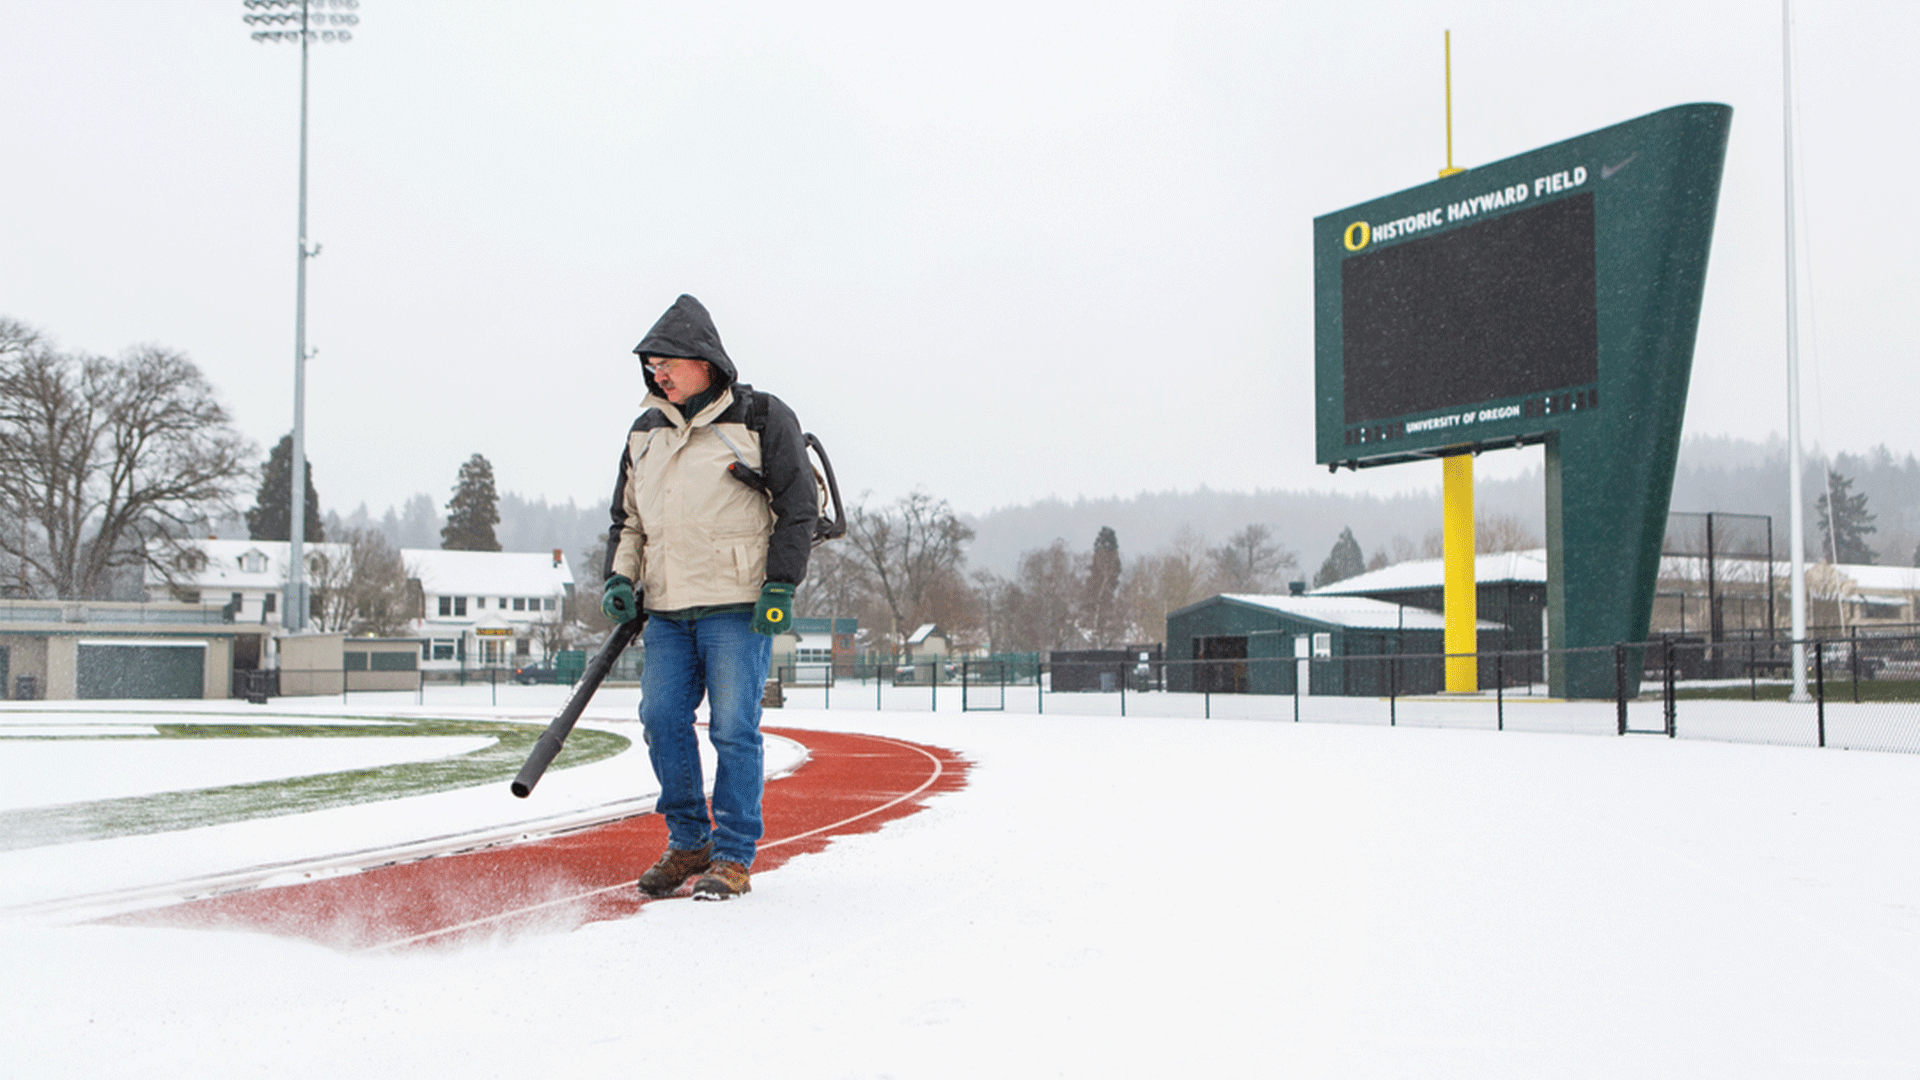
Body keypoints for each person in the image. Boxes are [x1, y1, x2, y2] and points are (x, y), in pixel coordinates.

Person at [602, 294, 816, 901]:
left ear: (703, 360)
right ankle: (689, 839)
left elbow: (799, 508)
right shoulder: (644, 433)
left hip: (736, 606)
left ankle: (733, 855)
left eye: (666, 363)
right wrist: (620, 578)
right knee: (661, 720)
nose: (657, 375)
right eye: (650, 367)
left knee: (733, 730)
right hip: (668, 610)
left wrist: (780, 583)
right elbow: (628, 520)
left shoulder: (761, 418)